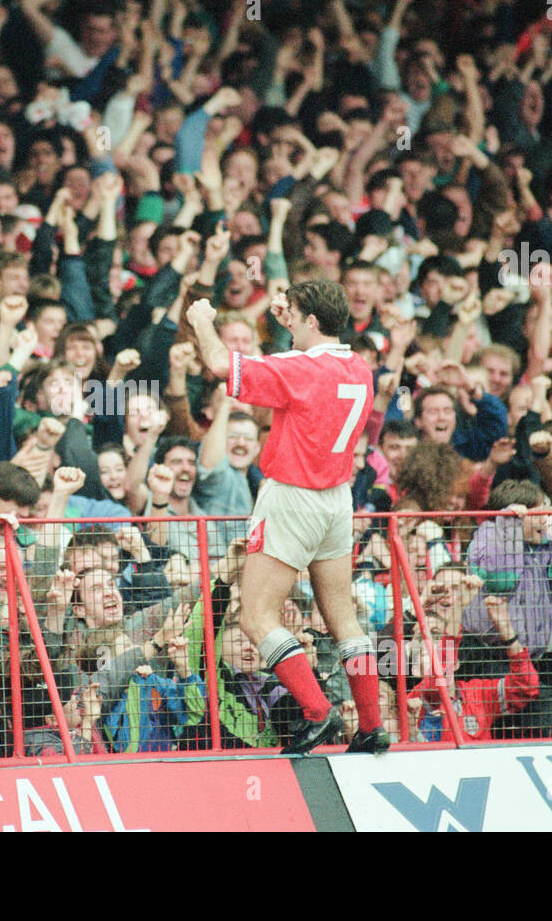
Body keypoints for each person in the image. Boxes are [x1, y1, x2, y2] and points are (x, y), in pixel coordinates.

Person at [186, 280, 383, 755]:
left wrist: (201, 322)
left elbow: (220, 366)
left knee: (256, 615)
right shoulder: (359, 366)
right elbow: (305, 358)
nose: (285, 319)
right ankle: (372, 726)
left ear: (310, 320)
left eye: (292, 313)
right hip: (337, 499)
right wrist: (290, 318)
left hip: (293, 495)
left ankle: (318, 712)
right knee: (342, 617)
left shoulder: (298, 367)